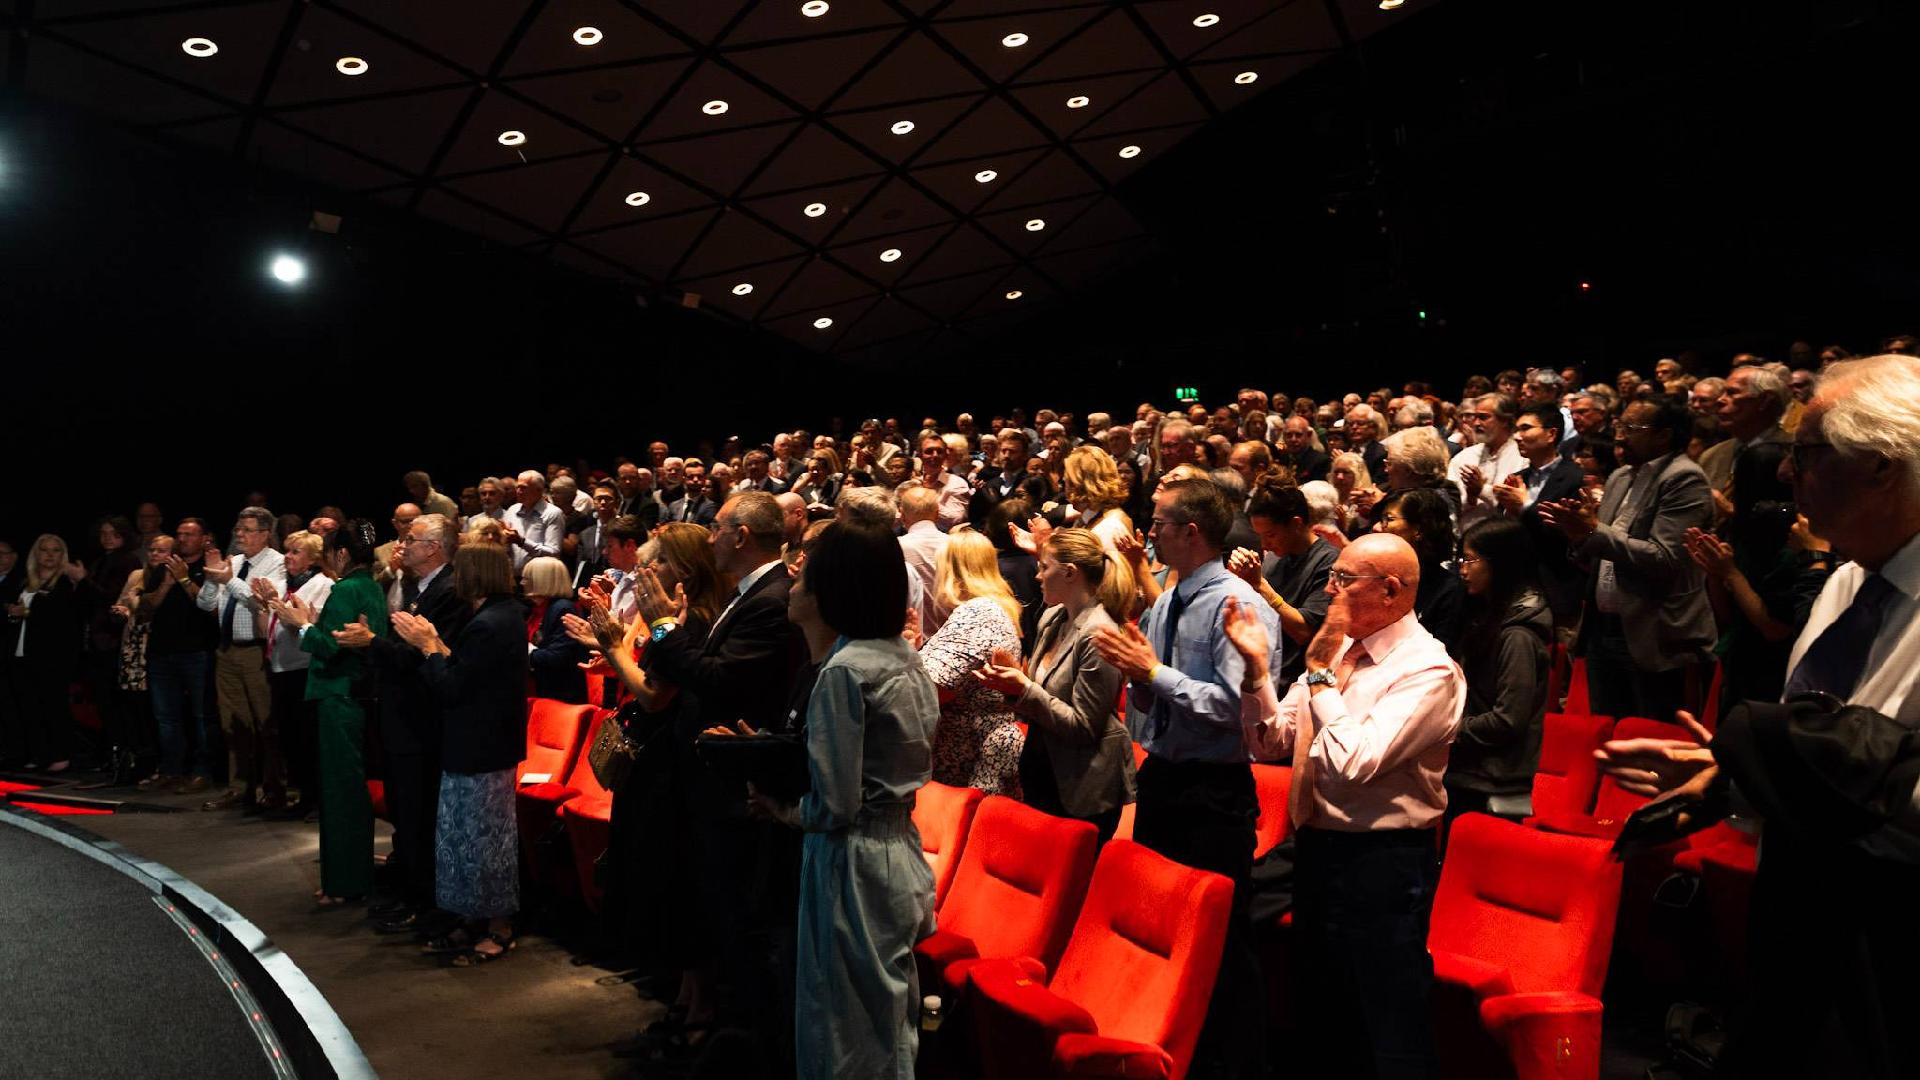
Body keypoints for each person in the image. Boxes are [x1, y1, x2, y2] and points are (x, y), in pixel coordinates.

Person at [1595, 354, 1920, 1077]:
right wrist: (1731, 776)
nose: (1785, 472)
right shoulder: (1842, 586)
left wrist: (1778, 754)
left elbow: (1863, 769)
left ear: (1881, 464)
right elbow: (1835, 755)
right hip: (1800, 926)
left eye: (1809, 451)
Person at [1230, 532, 1465, 1079]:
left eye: (1342, 579)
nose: (1330, 590)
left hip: (1383, 863)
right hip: (1315, 847)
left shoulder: (1428, 671)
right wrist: (1256, 673)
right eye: (1332, 575)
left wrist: (1318, 678)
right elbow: (1271, 741)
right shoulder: (1336, 650)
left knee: (1386, 1024)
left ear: (1389, 590)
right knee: (1321, 1011)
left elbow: (1353, 763)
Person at [1092, 477, 1280, 1078]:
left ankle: (1236, 1064)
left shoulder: (1237, 605)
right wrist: (1139, 675)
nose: (1149, 534)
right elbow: (1155, 698)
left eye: (1159, 524)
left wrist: (1153, 672)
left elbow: (1234, 709)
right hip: (1166, 779)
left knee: (1221, 941)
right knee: (1163, 922)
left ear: (1190, 532)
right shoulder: (1169, 598)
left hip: (1214, 792)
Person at [747, 522, 938, 1080]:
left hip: (852, 860)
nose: (793, 584)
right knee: (888, 1022)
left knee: (843, 1029)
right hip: (900, 849)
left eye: (804, 575)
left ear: (833, 589)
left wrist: (779, 808)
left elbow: (833, 805)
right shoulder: (904, 655)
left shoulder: (845, 670)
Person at [390, 542, 527, 966]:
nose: (456, 580)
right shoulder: (497, 616)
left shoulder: (489, 623)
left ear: (476, 574)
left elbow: (452, 687)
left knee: (486, 840)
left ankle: (499, 926)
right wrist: (434, 644)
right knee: (465, 837)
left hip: (481, 746)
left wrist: (428, 646)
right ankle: (472, 916)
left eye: (462, 571)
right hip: (480, 743)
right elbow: (468, 674)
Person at [1539, 395, 1716, 721]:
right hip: (1603, 628)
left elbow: (1665, 558)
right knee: (1605, 733)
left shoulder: (1684, 478)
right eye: (1620, 426)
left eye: (1631, 428)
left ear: (1664, 435)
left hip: (1655, 633)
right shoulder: (1621, 476)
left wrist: (1591, 531)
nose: (1619, 436)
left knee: (1650, 738)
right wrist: (1576, 535)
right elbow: (1599, 551)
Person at [972, 528, 1135, 839]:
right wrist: (1011, 683)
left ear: (1070, 573)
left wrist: (1024, 689)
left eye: (1044, 567)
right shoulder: (1053, 616)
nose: (1037, 576)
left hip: (1083, 786)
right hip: (1042, 767)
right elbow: (1042, 695)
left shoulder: (1099, 634)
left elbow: (1083, 727)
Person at [270, 520, 389, 907]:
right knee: (349, 789)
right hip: (357, 695)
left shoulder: (346, 589)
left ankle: (344, 882)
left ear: (342, 554)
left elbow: (332, 646)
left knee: (340, 792)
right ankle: (349, 876)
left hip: (339, 696)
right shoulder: (371, 586)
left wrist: (302, 625)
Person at [1445, 518, 1550, 819]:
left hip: (1493, 780)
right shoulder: (1484, 616)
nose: (1462, 570)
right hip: (1468, 771)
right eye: (1460, 560)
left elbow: (1508, 719)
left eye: (1470, 560)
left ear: (1500, 563)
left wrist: (1446, 728)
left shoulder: (1518, 635)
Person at [918, 529, 1025, 796]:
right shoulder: (993, 607)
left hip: (967, 755)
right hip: (974, 747)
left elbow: (930, 689)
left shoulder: (978, 612)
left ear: (952, 571)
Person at [194, 507, 287, 811]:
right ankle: (240, 788)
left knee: (267, 723)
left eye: (247, 530)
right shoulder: (233, 562)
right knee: (234, 723)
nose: (240, 535)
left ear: (265, 534)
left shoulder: (277, 563)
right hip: (227, 650)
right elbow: (204, 604)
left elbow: (266, 603)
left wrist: (230, 580)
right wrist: (213, 578)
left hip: (257, 650)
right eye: (238, 530)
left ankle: (274, 789)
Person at [138, 518, 220, 794]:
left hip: (197, 651)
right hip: (161, 651)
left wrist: (184, 579)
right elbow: (145, 608)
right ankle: (171, 770)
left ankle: (203, 771)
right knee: (166, 716)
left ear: (204, 538)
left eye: (189, 534)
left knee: (201, 715)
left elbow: (211, 608)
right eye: (179, 534)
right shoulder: (164, 567)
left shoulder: (210, 568)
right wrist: (165, 585)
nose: (182, 539)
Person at [255, 530, 333, 819]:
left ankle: (318, 800)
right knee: (289, 737)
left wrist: (278, 605)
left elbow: (305, 627)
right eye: (287, 551)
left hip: (304, 668)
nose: (287, 556)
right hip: (280, 667)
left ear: (313, 558)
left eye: (296, 552)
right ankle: (303, 796)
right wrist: (264, 606)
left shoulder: (322, 585)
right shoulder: (281, 585)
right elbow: (265, 630)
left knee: (307, 737)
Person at [1228, 480, 1336, 684]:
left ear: (1296, 524)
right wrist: (1238, 580)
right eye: (1259, 536)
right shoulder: (1273, 557)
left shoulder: (1329, 561)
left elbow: (1304, 632)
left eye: (1270, 535)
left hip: (1301, 680)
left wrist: (1260, 586)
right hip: (1263, 672)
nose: (1264, 544)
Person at [1493, 403, 1588, 633]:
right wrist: (1507, 511)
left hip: (1556, 585)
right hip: (1516, 584)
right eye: (1517, 429)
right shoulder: (1517, 478)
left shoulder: (1575, 478)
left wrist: (1524, 507)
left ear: (1551, 434)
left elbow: (1565, 537)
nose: (1517, 436)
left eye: (1526, 428)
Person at [8, 535, 82, 772]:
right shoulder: (26, 582)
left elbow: (63, 617)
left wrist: (27, 613)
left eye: (55, 550)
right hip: (22, 653)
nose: (49, 555)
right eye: (44, 550)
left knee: (54, 705)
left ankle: (61, 753)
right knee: (29, 707)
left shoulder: (65, 583)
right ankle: (39, 753)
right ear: (35, 554)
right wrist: (13, 613)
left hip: (53, 656)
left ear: (63, 555)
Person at [1373, 487, 1467, 649]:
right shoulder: (1375, 578)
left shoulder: (1448, 590)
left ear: (1418, 529)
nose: (1377, 527)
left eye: (1388, 519)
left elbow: (1442, 654)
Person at [1448, 392, 1527, 528]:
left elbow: (1518, 506)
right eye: (1475, 417)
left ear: (1505, 420)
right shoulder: (1464, 456)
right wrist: (1471, 498)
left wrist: (1481, 490)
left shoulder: (1522, 457)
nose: (1476, 423)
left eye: (1483, 417)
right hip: (1465, 533)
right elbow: (1449, 504)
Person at [521, 556, 588, 703]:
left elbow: (558, 657)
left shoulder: (563, 609)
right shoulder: (532, 609)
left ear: (543, 580)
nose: (522, 583)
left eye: (527, 578)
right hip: (535, 689)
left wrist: (522, 650)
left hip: (557, 695)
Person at [897, 485, 948, 637]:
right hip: (953, 637)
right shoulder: (957, 545)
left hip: (913, 638)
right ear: (937, 513)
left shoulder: (896, 547)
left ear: (902, 515)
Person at [503, 469, 566, 571]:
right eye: (517, 487)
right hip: (512, 576)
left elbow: (553, 553)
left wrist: (522, 542)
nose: (518, 492)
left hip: (539, 576)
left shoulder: (553, 513)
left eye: (523, 488)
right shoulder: (512, 510)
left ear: (539, 490)